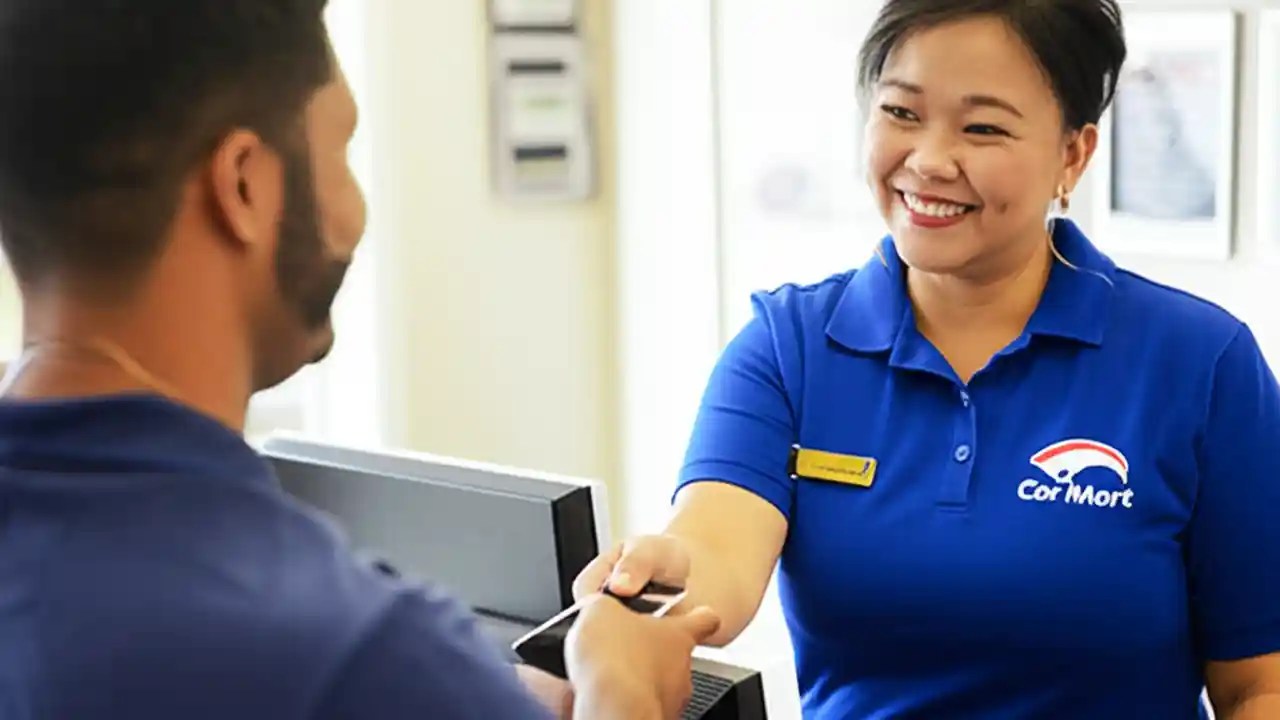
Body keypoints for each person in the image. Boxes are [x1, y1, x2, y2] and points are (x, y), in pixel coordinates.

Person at [0, 2, 720, 719]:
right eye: (341, 150)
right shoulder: (346, 649)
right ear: (245, 185)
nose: (354, 210)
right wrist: (623, 692)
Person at [576, 1, 1280, 717]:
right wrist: (660, 581)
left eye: (983, 128)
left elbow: (1262, 683)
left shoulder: (1201, 363)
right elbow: (716, 551)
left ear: (1073, 154)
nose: (930, 160)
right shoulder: (790, 349)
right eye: (902, 113)